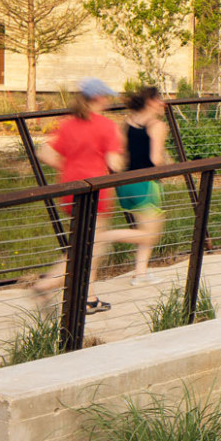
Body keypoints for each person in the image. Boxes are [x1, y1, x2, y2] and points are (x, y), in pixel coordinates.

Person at [32, 78, 146, 312]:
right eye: (106, 97)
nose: (108, 101)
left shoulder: (68, 124)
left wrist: (68, 167)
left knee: (87, 243)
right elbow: (114, 163)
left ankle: (89, 298)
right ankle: (46, 285)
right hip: (96, 191)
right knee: (92, 248)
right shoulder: (106, 126)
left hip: (70, 190)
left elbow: (44, 152)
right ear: (99, 98)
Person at [113, 85, 170, 285]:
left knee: (146, 229)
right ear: (150, 102)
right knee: (151, 233)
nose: (163, 103)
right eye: (159, 99)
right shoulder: (157, 126)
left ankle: (140, 274)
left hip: (125, 183)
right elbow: (156, 159)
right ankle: (105, 237)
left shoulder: (126, 123)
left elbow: (120, 156)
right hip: (146, 184)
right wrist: (169, 165)